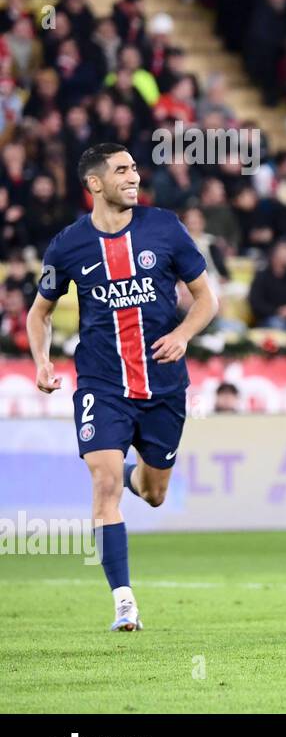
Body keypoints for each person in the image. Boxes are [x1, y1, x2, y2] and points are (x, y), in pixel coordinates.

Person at [25, 144, 216, 631]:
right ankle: (124, 602)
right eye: (122, 170)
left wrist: (182, 334)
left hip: (163, 385)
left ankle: (136, 471)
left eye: (134, 168)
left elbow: (205, 298)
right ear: (94, 184)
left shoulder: (164, 227)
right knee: (103, 484)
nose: (134, 176)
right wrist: (43, 362)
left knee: (152, 492)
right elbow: (39, 312)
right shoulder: (67, 245)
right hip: (101, 383)